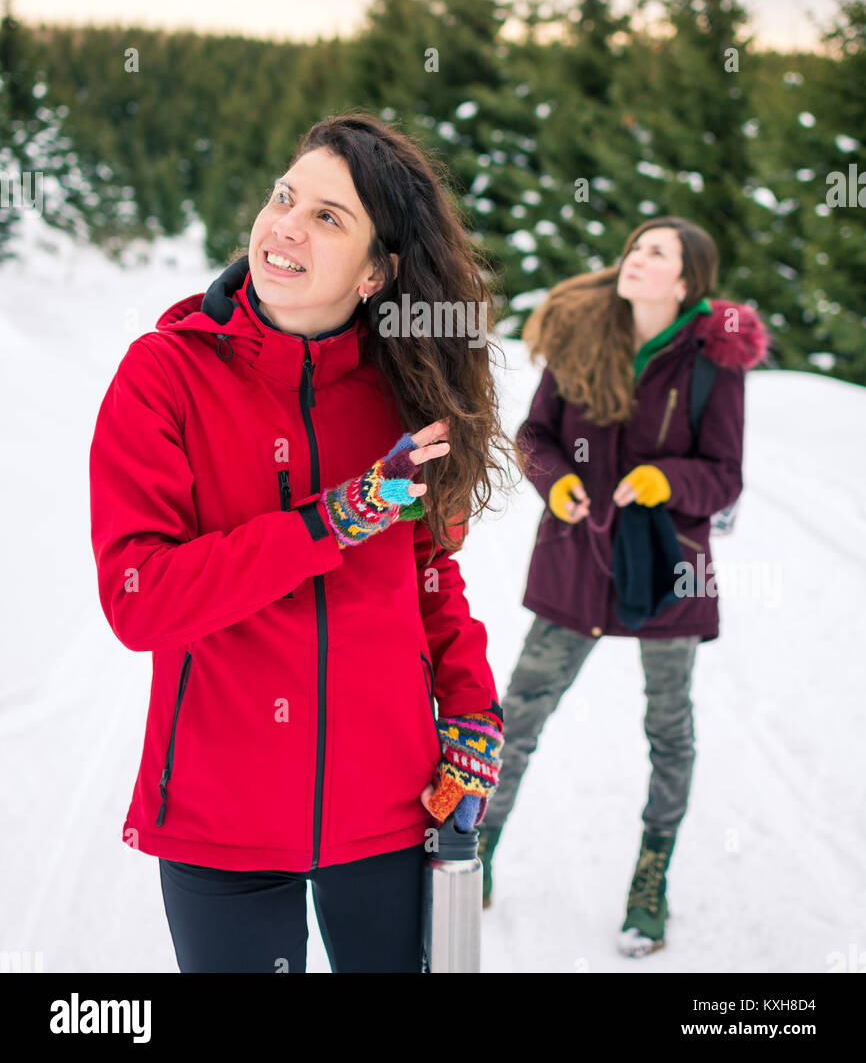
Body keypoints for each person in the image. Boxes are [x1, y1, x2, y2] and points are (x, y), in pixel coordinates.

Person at [88, 112, 519, 974]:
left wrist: (471, 708)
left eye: (330, 216)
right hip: (222, 813)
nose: (285, 224)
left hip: (388, 804)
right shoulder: (164, 374)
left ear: (376, 273)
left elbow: (429, 574)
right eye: (287, 196)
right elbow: (141, 599)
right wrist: (331, 521)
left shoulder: (404, 385)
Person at [476, 216, 770, 957]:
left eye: (658, 252)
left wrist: (664, 478)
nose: (637, 258)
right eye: (636, 245)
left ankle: (651, 877)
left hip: (669, 569)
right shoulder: (582, 332)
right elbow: (534, 435)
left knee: (668, 730)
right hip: (576, 558)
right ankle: (478, 848)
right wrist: (557, 482)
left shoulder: (713, 362)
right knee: (519, 714)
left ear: (687, 280)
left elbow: (725, 477)